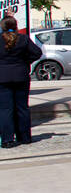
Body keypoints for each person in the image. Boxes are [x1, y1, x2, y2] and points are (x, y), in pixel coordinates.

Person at [0, 15, 43, 148]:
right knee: (22, 107)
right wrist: (25, 62)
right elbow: (37, 52)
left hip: (2, 78)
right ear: (15, 26)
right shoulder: (23, 39)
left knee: (5, 109)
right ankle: (24, 137)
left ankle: (7, 139)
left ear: (2, 27)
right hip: (21, 76)